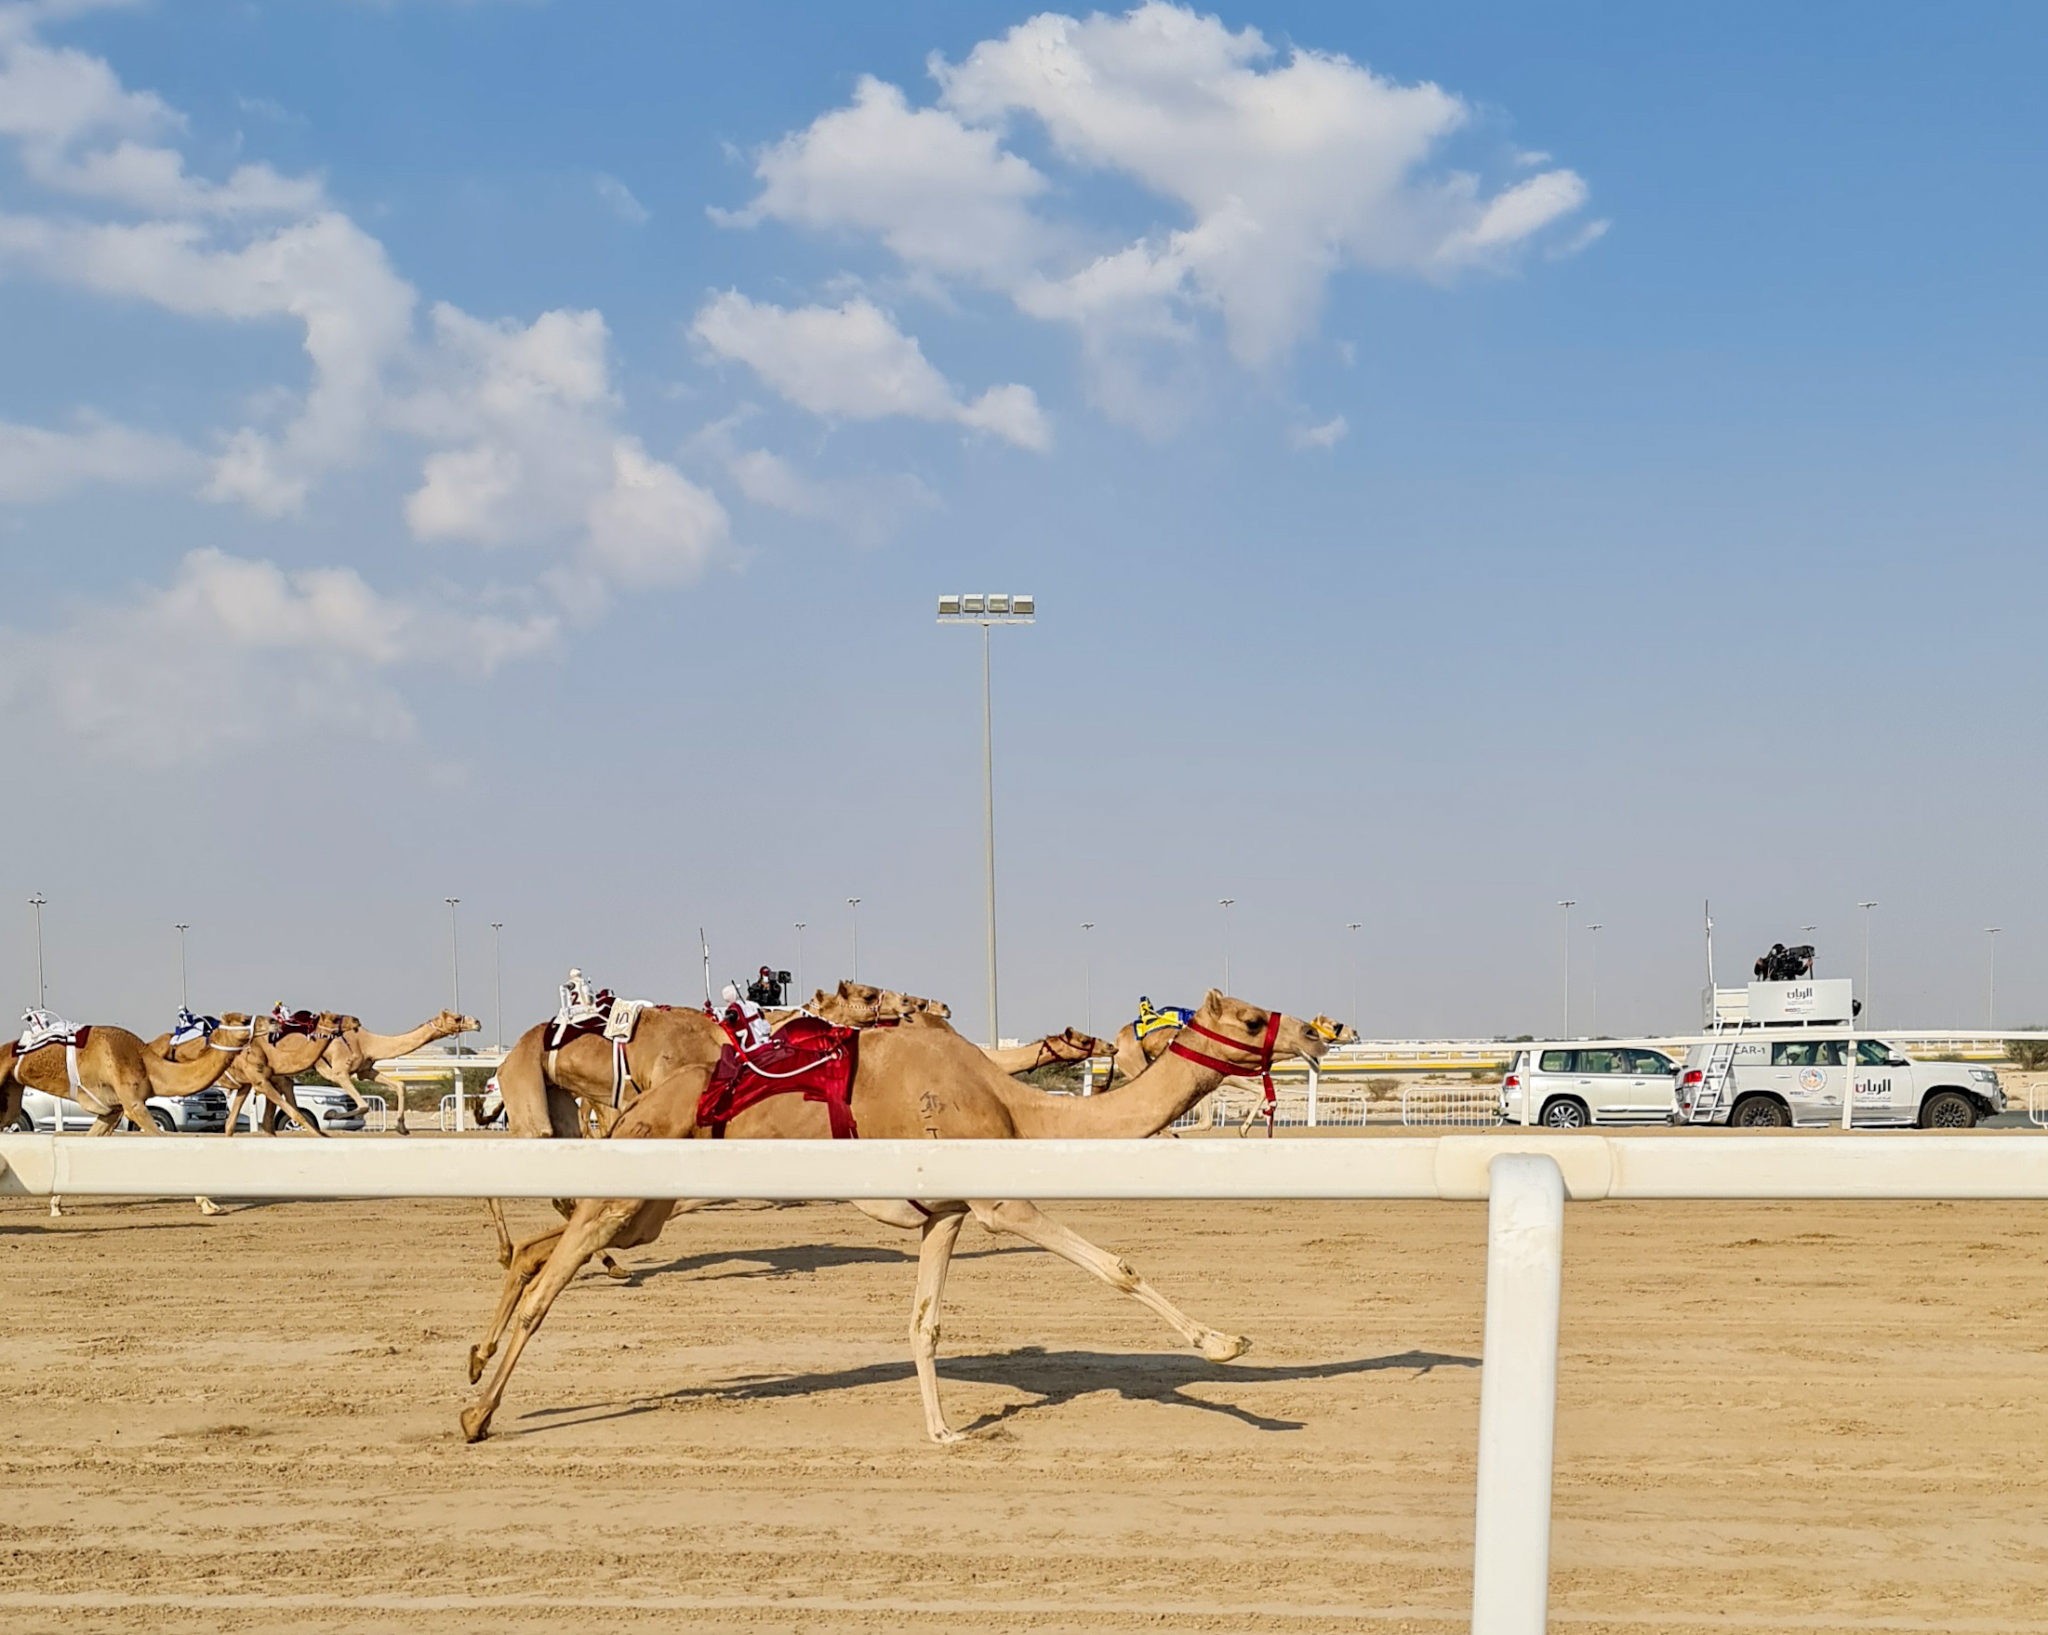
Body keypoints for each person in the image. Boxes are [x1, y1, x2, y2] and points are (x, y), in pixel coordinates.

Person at [720, 982, 772, 1051]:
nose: (739, 993)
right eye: (737, 991)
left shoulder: (735, 1008)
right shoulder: (737, 1008)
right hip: (755, 1042)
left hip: (754, 1042)